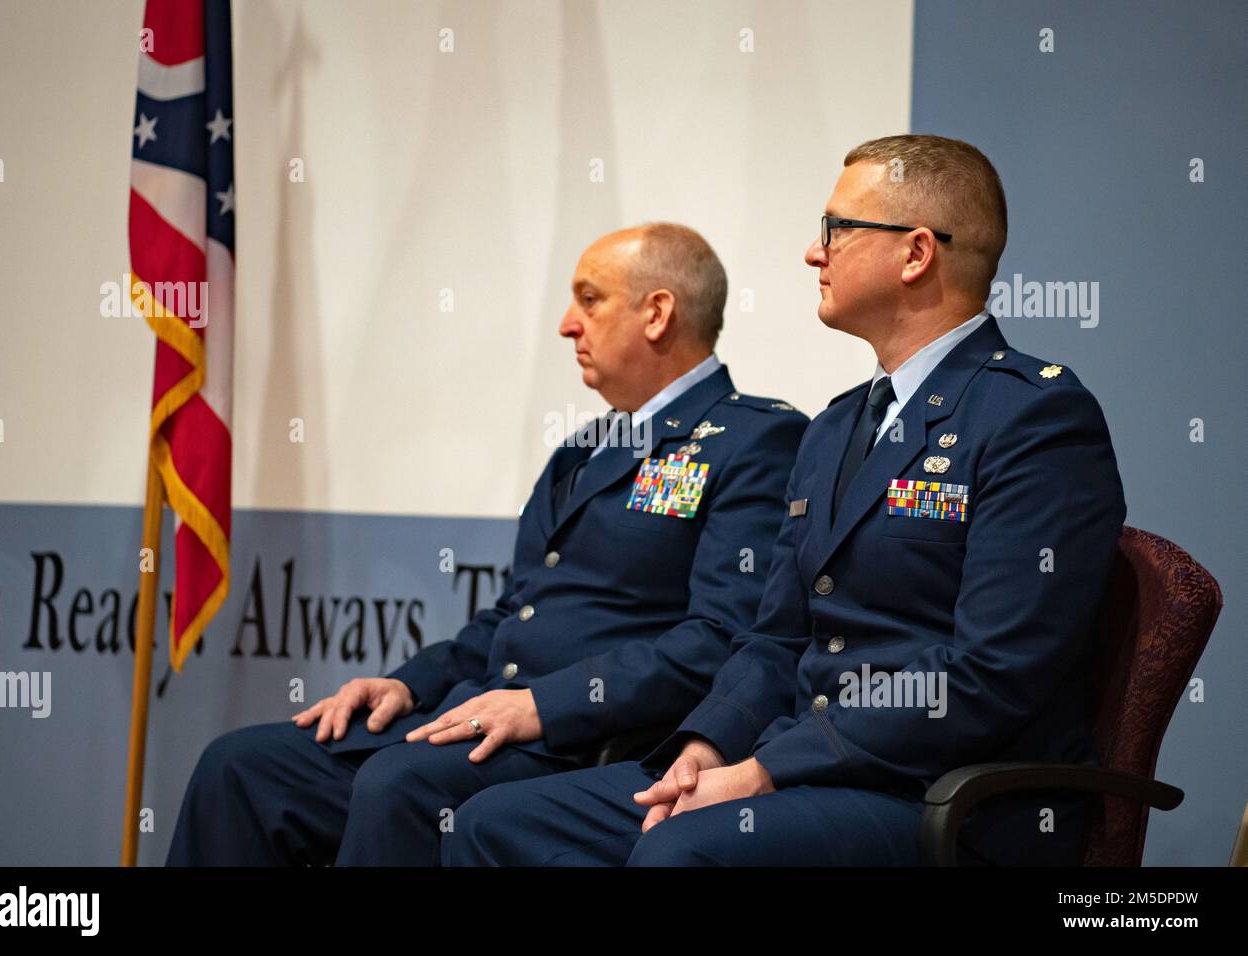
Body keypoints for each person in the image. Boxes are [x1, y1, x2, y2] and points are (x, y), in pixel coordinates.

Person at [443, 135, 1127, 867]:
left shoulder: (1035, 416)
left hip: (939, 801)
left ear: (916, 253)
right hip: (803, 768)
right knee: (496, 822)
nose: (814, 252)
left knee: (679, 853)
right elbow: (775, 637)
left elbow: (987, 674)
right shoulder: (836, 425)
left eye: (837, 229)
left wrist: (772, 767)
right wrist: (710, 742)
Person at [166, 222, 808, 865]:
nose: (566, 324)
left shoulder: (753, 441)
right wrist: (408, 686)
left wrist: (544, 705)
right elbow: (513, 613)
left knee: (401, 785)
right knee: (240, 768)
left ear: (657, 313)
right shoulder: (582, 451)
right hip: (478, 718)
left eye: (589, 299)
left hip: (589, 739)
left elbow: (718, 640)